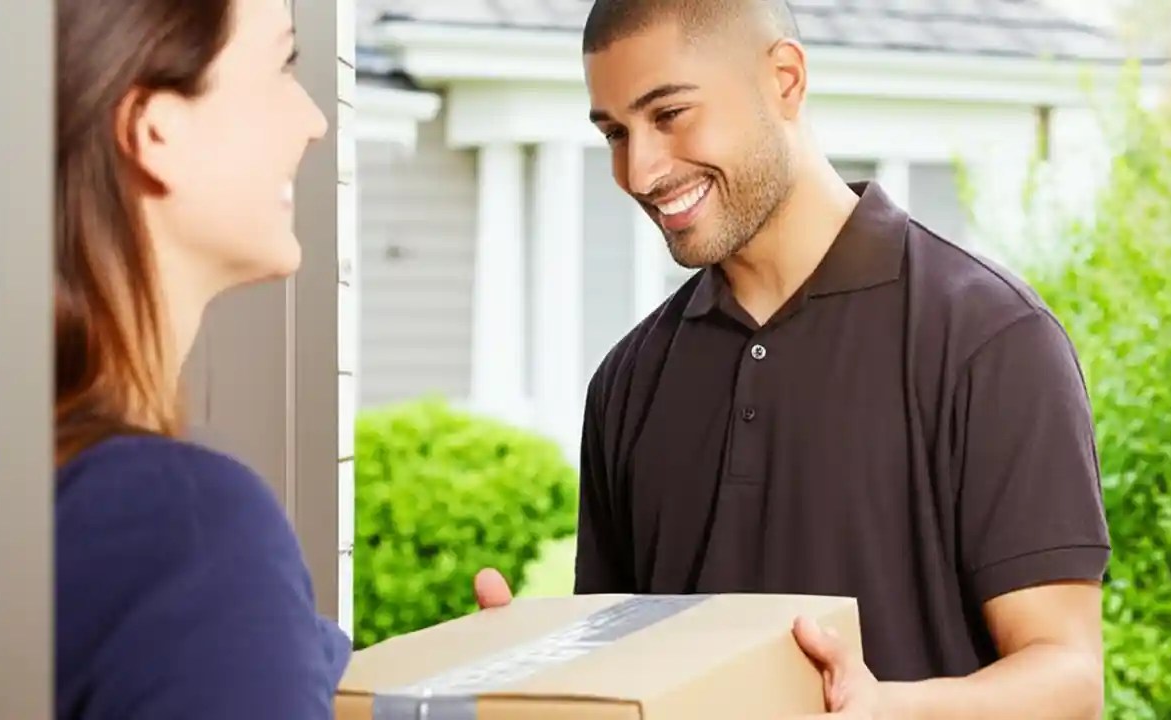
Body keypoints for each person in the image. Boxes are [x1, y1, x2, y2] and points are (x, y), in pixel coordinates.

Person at [474, 0, 1111, 717]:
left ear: (784, 79)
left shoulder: (990, 339)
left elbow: (1068, 679)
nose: (640, 170)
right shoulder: (628, 382)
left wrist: (887, 709)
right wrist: (529, 682)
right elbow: (626, 686)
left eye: (670, 115)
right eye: (615, 133)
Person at [54, 0, 342, 717]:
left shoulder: (37, 496)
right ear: (156, 130)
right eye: (281, 65)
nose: (313, 121)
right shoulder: (182, 531)